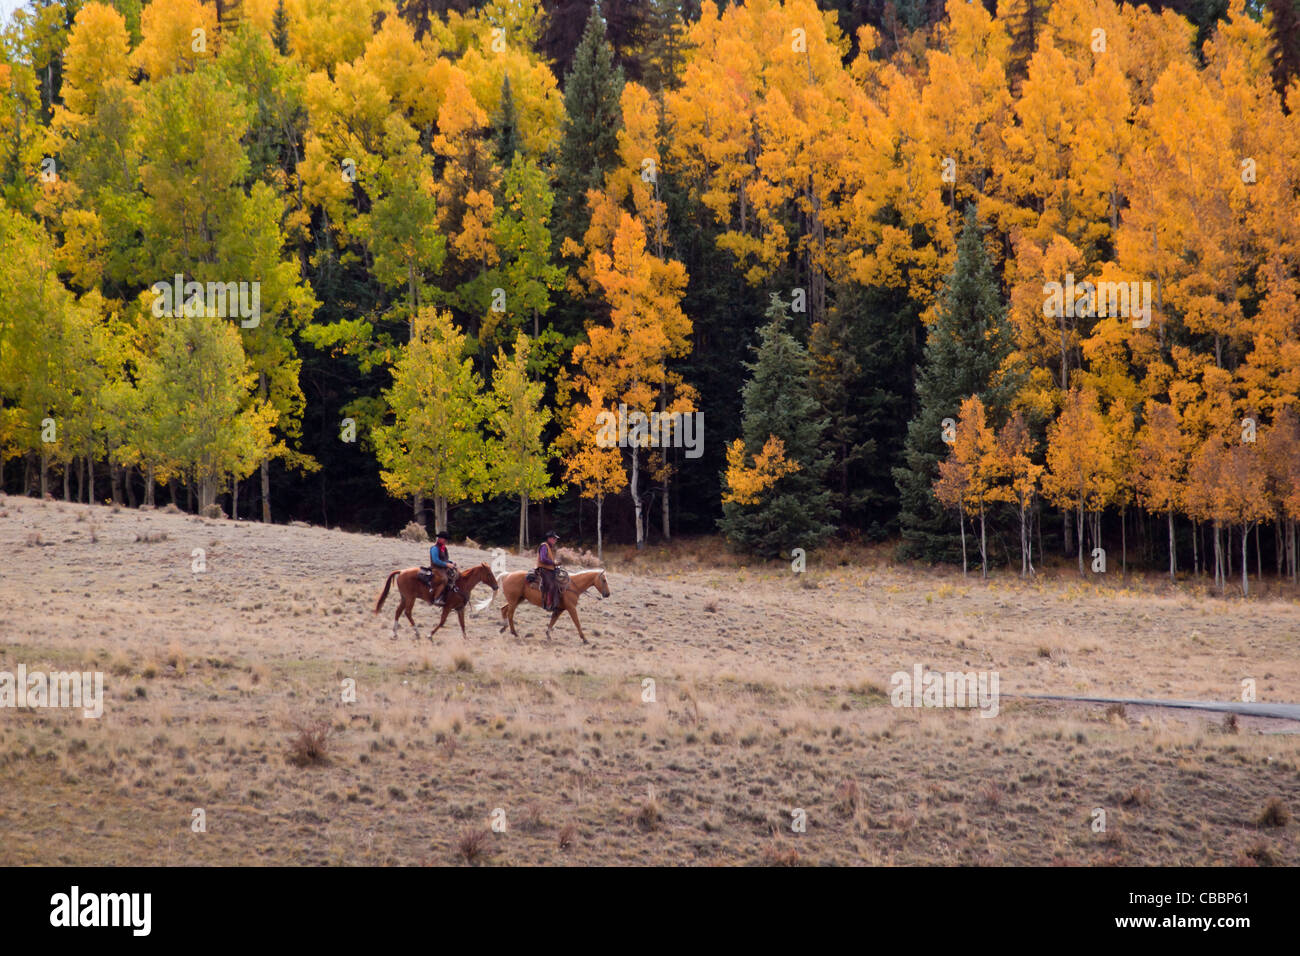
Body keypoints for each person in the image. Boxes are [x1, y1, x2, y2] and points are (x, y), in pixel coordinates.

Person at [429, 531, 458, 606]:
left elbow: (445, 559)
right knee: (444, 579)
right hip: (435, 569)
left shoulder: (444, 549)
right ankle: (436, 598)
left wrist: (451, 563)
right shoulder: (434, 548)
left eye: (446, 539)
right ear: (439, 539)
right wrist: (447, 564)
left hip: (443, 568)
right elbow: (436, 560)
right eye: (444, 538)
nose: (445, 540)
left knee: (456, 575)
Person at [537, 530, 561, 612]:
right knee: (552, 585)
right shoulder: (544, 546)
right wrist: (553, 562)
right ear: (549, 538)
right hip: (544, 570)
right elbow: (543, 559)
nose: (555, 540)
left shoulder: (549, 547)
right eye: (554, 539)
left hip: (549, 570)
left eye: (556, 539)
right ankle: (548, 604)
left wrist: (555, 564)